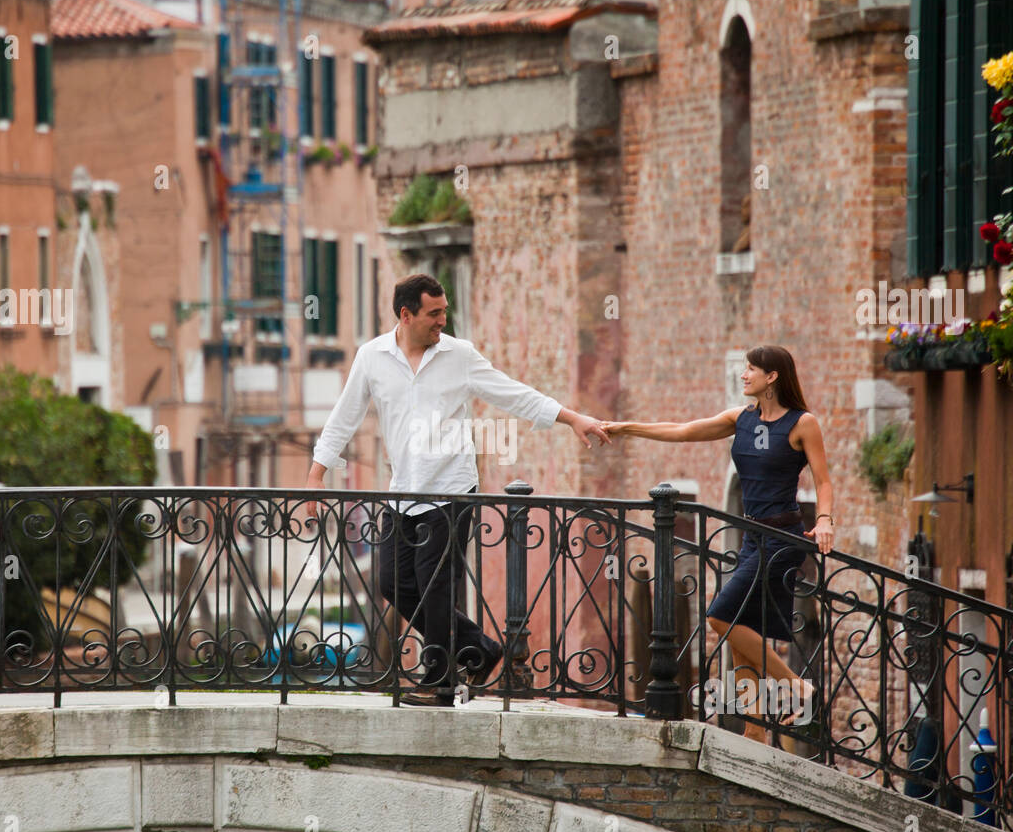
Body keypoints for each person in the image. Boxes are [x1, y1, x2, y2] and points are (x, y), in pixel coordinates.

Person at [305, 274, 610, 706]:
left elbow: (513, 395)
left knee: (436, 587)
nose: (442, 320)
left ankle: (441, 681)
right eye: (434, 313)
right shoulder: (371, 357)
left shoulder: (459, 356)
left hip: (451, 492)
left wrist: (572, 418)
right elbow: (344, 418)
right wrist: (316, 476)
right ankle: (480, 649)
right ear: (406, 315)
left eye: (445, 310)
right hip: (402, 493)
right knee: (393, 582)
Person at [601, 345, 834, 741]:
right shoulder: (738, 419)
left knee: (719, 617)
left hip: (783, 538)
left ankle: (799, 686)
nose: (744, 375)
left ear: (772, 376)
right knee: (743, 630)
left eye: (751, 369)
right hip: (750, 537)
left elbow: (823, 480)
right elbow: (683, 430)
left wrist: (826, 519)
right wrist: (626, 428)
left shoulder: (802, 423)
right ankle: (754, 732)